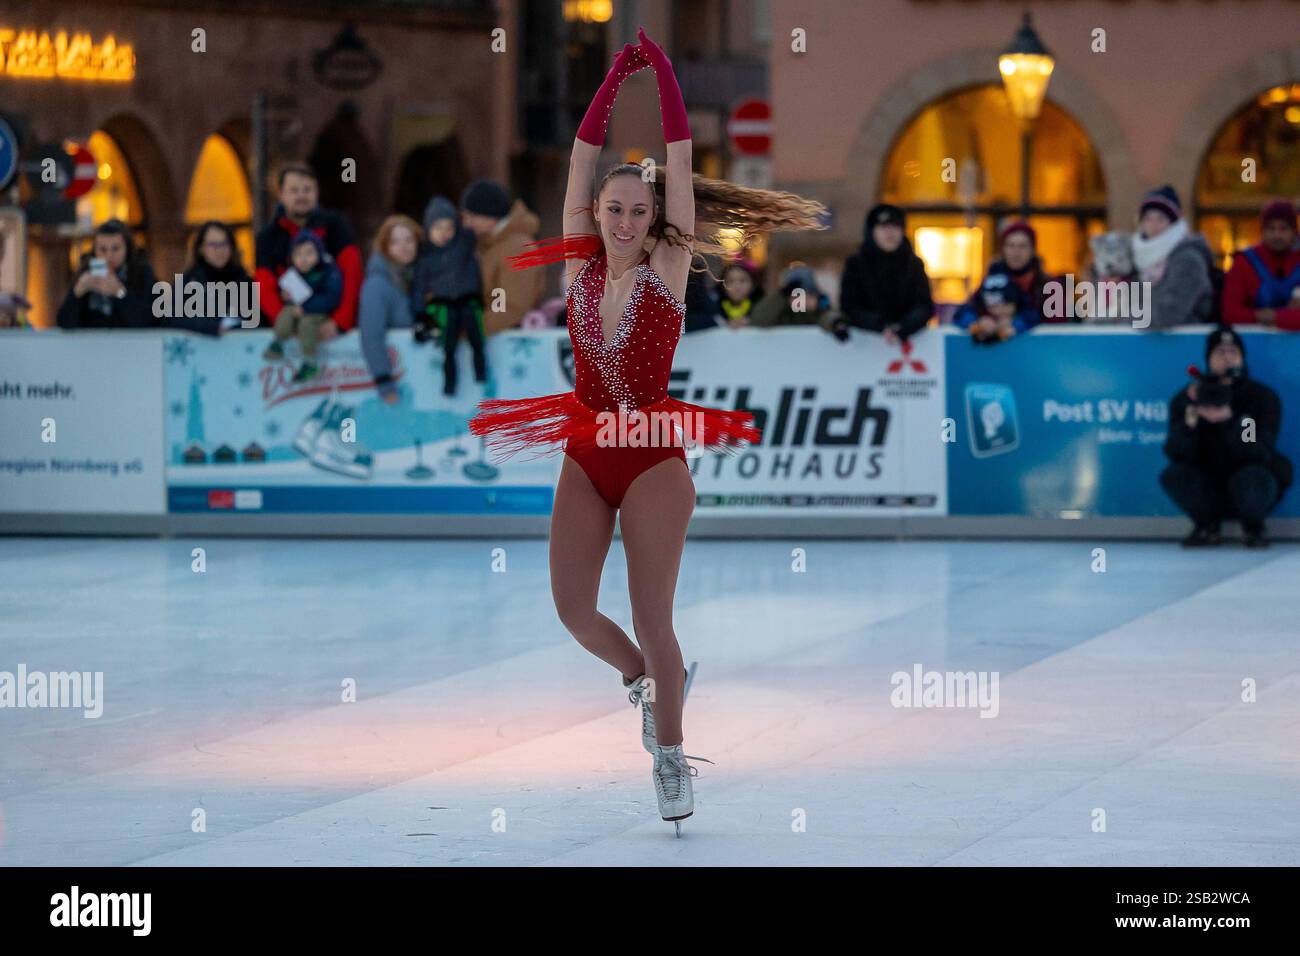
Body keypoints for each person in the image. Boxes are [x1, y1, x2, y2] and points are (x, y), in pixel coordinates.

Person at [467, 29, 823, 832]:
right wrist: (610, 76)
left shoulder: (668, 267)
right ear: (595, 212)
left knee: (655, 618)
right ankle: (645, 682)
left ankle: (668, 756)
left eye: (638, 210)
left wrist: (661, 69)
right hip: (587, 451)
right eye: (613, 208)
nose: (624, 219)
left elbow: (681, 158)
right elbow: (581, 156)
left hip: (654, 459)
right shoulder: (578, 265)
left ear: (654, 216)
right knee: (570, 609)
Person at [1160, 326, 1291, 547]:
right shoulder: (1187, 399)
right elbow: (1175, 451)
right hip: (1207, 479)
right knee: (1175, 474)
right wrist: (1192, 422)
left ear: (1242, 358)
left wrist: (1230, 420)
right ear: (1208, 359)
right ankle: (1206, 526)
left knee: (1257, 476)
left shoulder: (1259, 397)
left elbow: (1256, 449)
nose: (1227, 358)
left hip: (1246, 477)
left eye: (1233, 352)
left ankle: (1253, 526)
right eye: (1220, 352)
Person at [254, 163, 363, 339]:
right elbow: (264, 287)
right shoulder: (268, 237)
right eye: (294, 190)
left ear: (316, 192)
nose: (301, 196)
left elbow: (352, 275)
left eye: (307, 189)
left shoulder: (336, 225)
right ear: (281, 195)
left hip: (335, 333)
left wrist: (339, 322)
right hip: (290, 332)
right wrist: (287, 325)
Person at [410, 196, 487, 395]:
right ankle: (449, 383)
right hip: (444, 304)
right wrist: (420, 316)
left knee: (475, 335)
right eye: (438, 228)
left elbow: (471, 233)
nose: (444, 234)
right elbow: (418, 288)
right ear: (428, 230)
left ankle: (480, 371)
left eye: (449, 228)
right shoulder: (426, 257)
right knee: (448, 345)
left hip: (466, 300)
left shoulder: (462, 247)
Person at [837, 203, 933, 346]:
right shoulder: (855, 265)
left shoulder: (914, 264)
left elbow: (924, 306)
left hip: (911, 345)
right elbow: (849, 307)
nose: (890, 233)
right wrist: (880, 325)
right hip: (863, 347)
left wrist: (904, 328)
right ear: (872, 231)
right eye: (883, 227)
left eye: (895, 226)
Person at [459, 179, 542, 335]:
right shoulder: (488, 244)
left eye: (471, 217)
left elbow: (510, 306)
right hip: (494, 335)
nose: (466, 224)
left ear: (490, 215)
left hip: (510, 341)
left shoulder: (517, 248)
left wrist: (466, 329)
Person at [953, 221, 1055, 343]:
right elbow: (964, 311)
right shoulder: (992, 281)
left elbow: (1055, 326)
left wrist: (1015, 324)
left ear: (1033, 250)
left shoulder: (1049, 286)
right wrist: (978, 323)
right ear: (1003, 249)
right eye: (1010, 245)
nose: (1016, 252)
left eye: (1023, 246)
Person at [1131, 185, 1215, 330]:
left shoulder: (1188, 259)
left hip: (1184, 341)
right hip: (1147, 341)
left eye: (1160, 219)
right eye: (1148, 219)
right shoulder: (1138, 257)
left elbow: (1166, 315)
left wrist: (1122, 315)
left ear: (1173, 223)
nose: (1153, 225)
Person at [358, 214, 422, 405]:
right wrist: (384, 381)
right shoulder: (377, 285)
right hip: (397, 381)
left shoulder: (420, 278)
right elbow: (371, 335)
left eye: (409, 240)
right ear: (385, 247)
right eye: (395, 242)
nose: (404, 246)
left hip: (423, 375)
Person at [263, 232, 342, 382]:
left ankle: (310, 362)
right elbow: (288, 293)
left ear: (319, 254)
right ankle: (278, 342)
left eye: (309, 253)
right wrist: (286, 297)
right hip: (298, 309)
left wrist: (307, 308)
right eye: (298, 254)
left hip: (317, 312)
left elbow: (331, 298)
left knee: (307, 324)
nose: (303, 259)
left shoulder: (328, 272)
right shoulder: (293, 273)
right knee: (285, 313)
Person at [56, 219, 157, 329]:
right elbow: (64, 323)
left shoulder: (141, 274)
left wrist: (120, 293)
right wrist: (77, 293)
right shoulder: (85, 273)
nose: (109, 256)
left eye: (115, 249)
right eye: (103, 250)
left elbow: (146, 322)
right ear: (95, 251)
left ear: (127, 249)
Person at [1223, 200, 1300, 331]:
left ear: (1294, 231)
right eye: (1271, 228)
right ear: (1262, 231)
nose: (1277, 235)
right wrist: (1286, 316)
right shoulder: (1244, 262)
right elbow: (1230, 313)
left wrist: (1272, 317)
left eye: (1283, 228)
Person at [168, 221, 254, 336]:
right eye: (213, 245)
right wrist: (209, 327)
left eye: (224, 244)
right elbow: (170, 320)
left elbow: (258, 320)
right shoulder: (186, 284)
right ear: (201, 249)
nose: (219, 250)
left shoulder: (245, 283)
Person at [749, 264, 842, 332]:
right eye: (794, 295)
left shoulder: (820, 308)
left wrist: (818, 309)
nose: (798, 300)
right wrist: (780, 296)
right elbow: (759, 320)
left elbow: (831, 317)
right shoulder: (780, 310)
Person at [711, 260, 763, 328]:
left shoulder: (762, 307)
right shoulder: (713, 308)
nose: (737, 287)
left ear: (753, 284)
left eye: (742, 280)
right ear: (722, 286)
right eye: (731, 281)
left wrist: (752, 321)